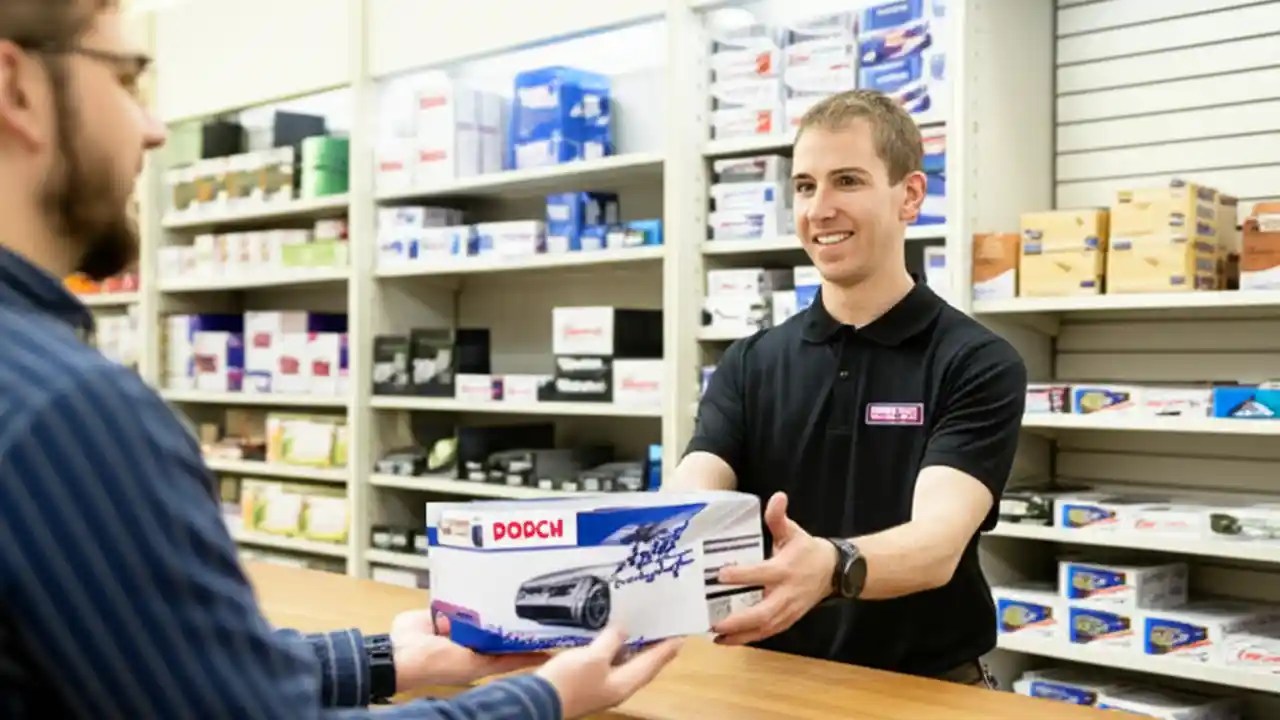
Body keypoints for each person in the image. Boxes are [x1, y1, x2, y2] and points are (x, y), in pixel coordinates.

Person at [0, 2, 680, 718]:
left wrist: (392, 660)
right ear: (15, 88)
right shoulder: (67, 413)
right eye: (128, 79)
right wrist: (539, 700)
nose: (153, 129)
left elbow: (167, 670)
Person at [670, 89, 1027, 688]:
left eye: (848, 181)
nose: (820, 208)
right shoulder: (752, 361)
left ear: (909, 196)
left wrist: (834, 565)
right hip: (769, 680)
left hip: (927, 690)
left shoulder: (976, 362)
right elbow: (691, 493)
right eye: (805, 186)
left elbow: (936, 543)